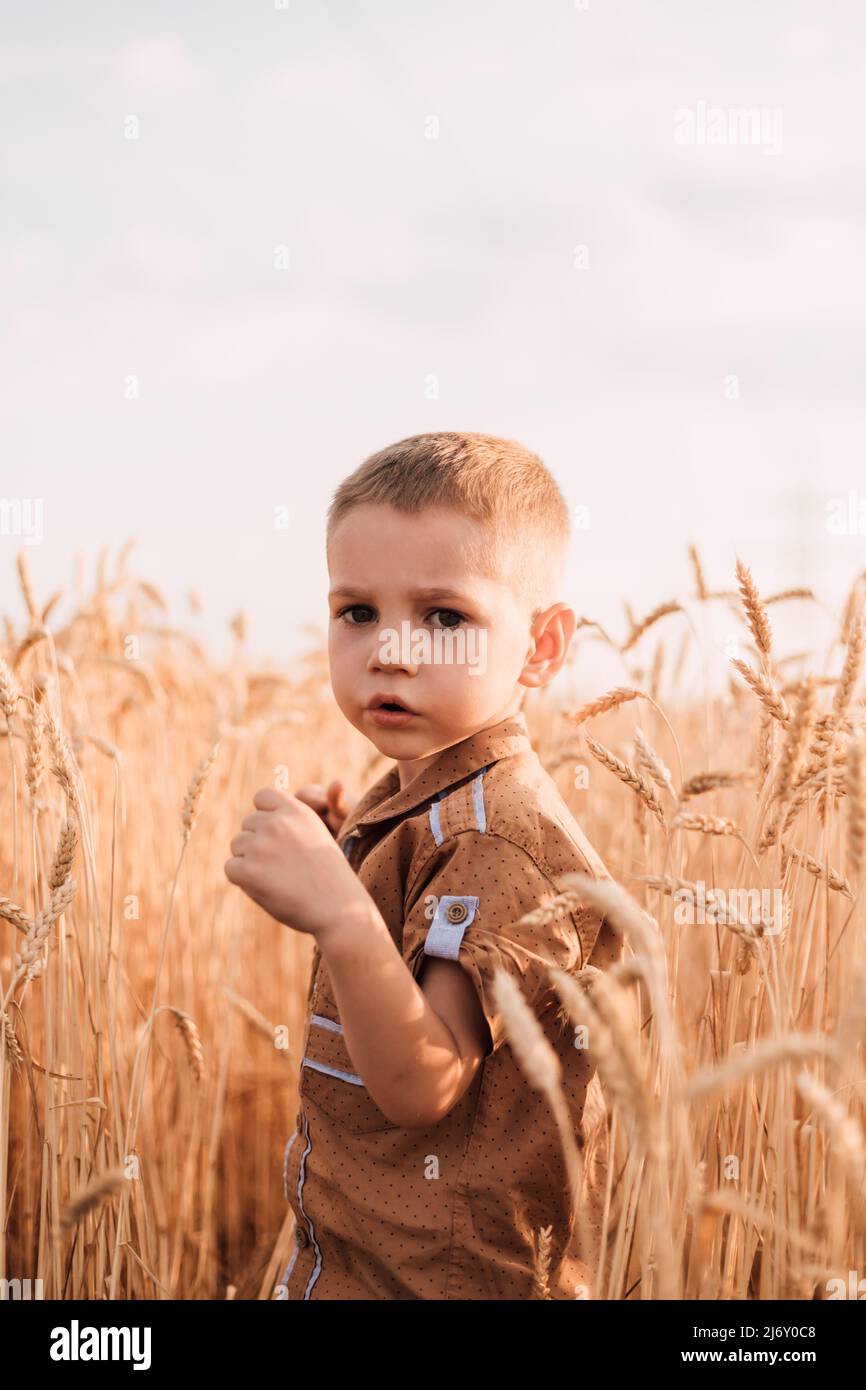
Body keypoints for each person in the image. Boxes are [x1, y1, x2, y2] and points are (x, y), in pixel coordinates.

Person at [225, 431, 621, 1299]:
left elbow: (422, 1079)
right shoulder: (420, 801)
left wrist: (341, 912)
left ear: (542, 648)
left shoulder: (499, 841)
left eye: (444, 617)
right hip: (369, 1262)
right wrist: (346, 863)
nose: (391, 651)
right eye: (356, 611)